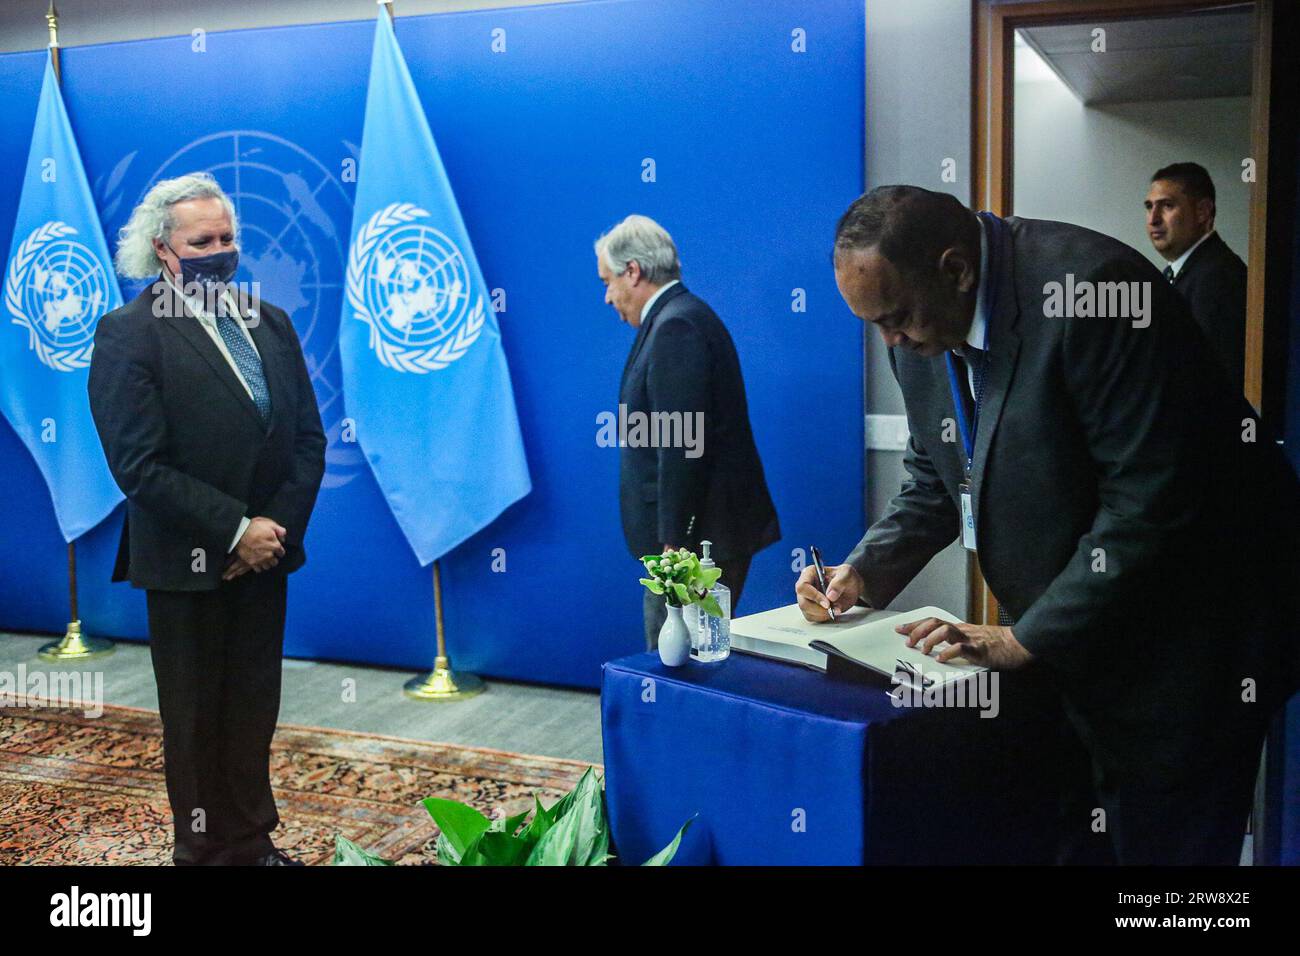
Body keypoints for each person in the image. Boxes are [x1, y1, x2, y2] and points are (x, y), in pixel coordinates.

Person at [796, 185, 1299, 865]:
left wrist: (1022, 639)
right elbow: (935, 481)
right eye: (875, 323)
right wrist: (863, 570)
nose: (889, 340)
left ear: (956, 269)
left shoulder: (1096, 292)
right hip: (1079, 642)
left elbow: (1148, 503)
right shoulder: (914, 329)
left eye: (896, 317)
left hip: (1191, 643)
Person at [88, 172, 326, 866]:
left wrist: (270, 535)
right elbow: (139, 465)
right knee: (194, 718)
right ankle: (200, 851)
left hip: (265, 558)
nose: (219, 250)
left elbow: (307, 441)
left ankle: (251, 842)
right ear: (164, 250)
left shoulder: (269, 321)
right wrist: (232, 531)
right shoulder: (129, 334)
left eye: (227, 238)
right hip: (187, 563)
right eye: (202, 241)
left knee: (253, 706)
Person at [595, 214, 780, 649]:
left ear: (634, 271)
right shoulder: (676, 318)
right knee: (685, 661)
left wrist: (673, 548)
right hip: (691, 540)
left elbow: (682, 446)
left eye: (607, 281)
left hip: (692, 548)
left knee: (680, 668)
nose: (607, 297)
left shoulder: (676, 326)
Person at [1145, 162, 1247, 393]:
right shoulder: (1179, 273)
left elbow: (1211, 380)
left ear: (1203, 211)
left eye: (1167, 206)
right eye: (1149, 207)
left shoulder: (1219, 277)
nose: (1153, 219)